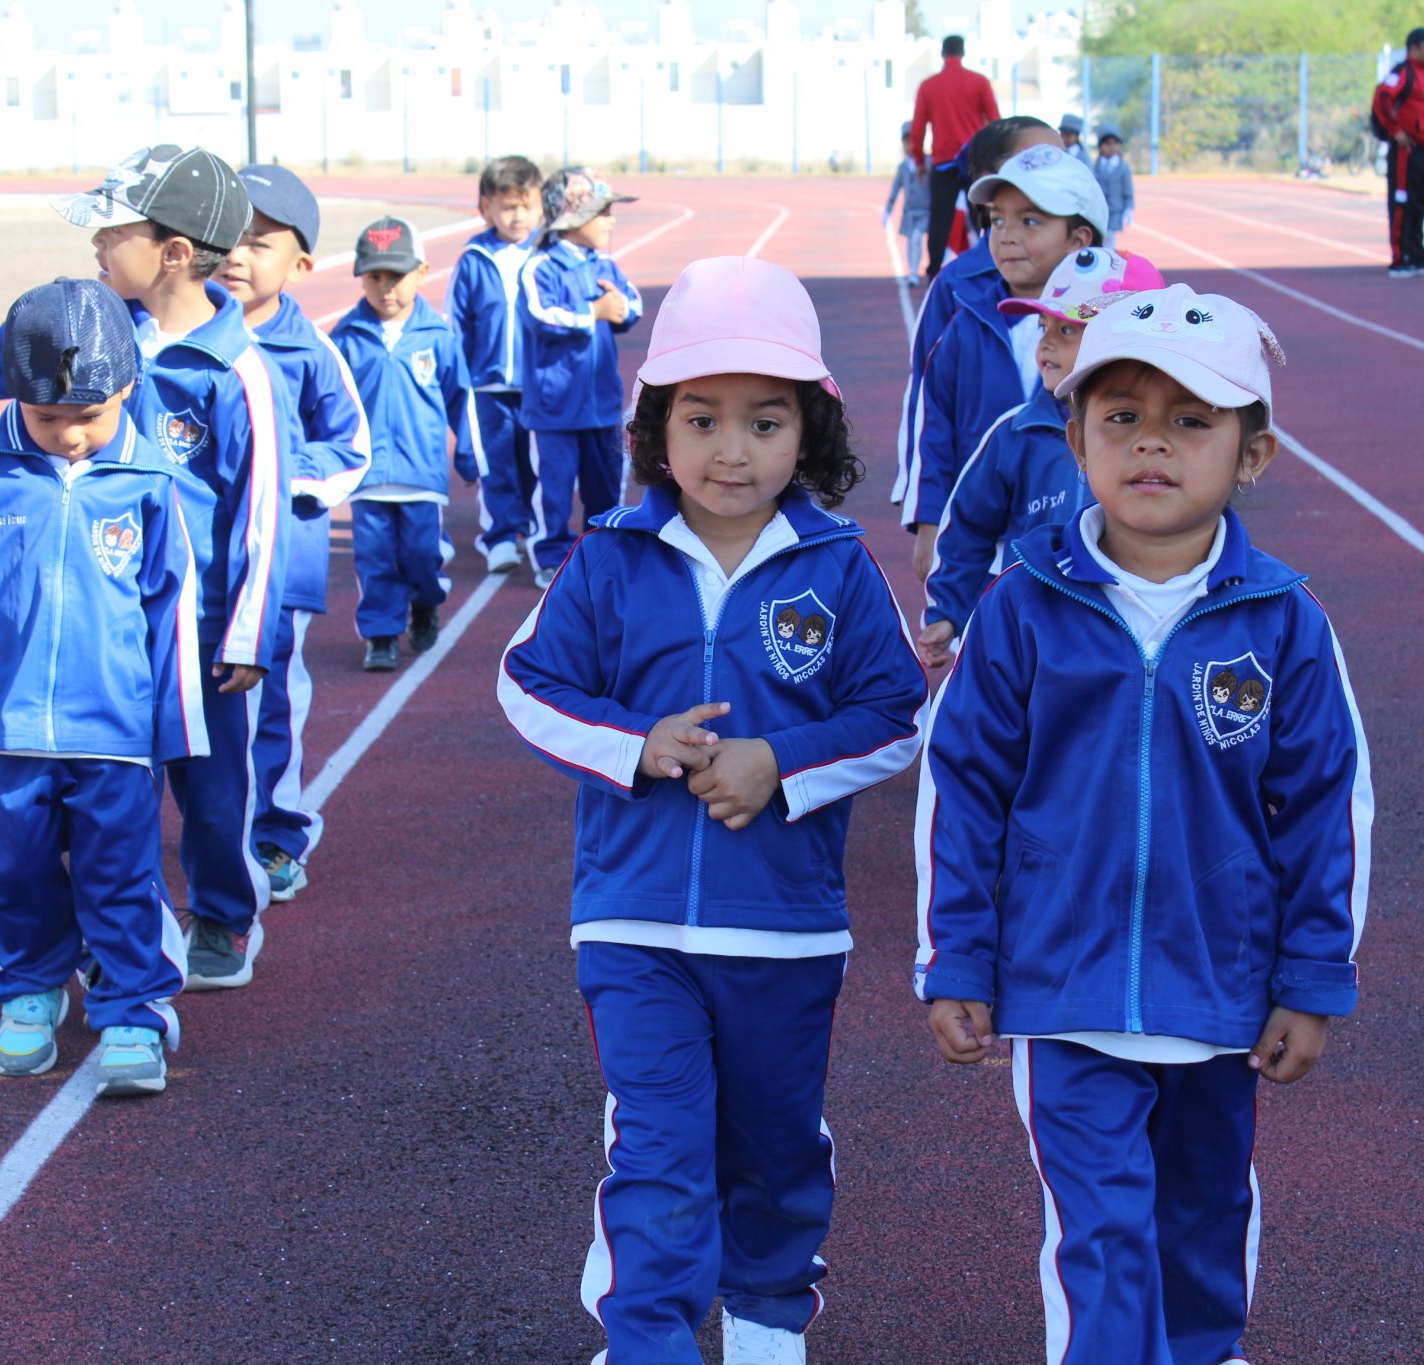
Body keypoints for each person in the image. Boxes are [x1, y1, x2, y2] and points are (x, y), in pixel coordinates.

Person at [915, 283, 1373, 1365]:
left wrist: (1311, 982)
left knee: (1201, 1220)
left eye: (1190, 421)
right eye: (1119, 416)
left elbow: (1325, 809)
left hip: (1220, 988)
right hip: (1061, 989)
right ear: (1071, 438)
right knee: (1102, 1232)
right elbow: (960, 786)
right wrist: (956, 959)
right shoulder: (1019, 609)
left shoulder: (1283, 620)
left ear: (1250, 457)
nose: (1149, 445)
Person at [498, 255, 927, 1365]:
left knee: (775, 1145)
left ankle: (770, 1316)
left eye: (763, 421)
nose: (730, 450)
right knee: (660, 1145)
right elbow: (526, 684)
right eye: (700, 419)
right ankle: (647, 1337)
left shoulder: (835, 567)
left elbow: (895, 712)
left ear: (808, 433)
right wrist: (635, 746)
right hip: (633, 924)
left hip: (782, 928)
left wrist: (776, 762)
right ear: (655, 427)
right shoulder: (607, 559)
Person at [0, 144, 290, 992]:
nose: (94, 241)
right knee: (97, 796)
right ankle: (83, 934)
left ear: (170, 250)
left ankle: (226, 915)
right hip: (100, 623)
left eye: (110, 228)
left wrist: (246, 632)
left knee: (211, 786)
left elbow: (261, 512)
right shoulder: (92, 327)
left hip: (196, 627)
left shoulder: (237, 368)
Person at [0, 277, 209, 1097]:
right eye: (49, 417)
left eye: (89, 416)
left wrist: (175, 729)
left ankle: (135, 1010)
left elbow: (172, 606)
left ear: (129, 388)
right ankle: (30, 989)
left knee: (120, 874)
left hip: (115, 730)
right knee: (14, 868)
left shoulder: (149, 476)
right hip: (6, 725)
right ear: (17, 398)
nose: (69, 435)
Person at [219, 163, 374, 905]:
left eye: (260, 243)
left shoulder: (311, 350)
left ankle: (276, 834)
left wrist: (278, 473)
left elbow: (351, 450)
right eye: (228, 238)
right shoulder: (179, 337)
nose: (238, 255)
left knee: (271, 704)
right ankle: (211, 827)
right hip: (197, 567)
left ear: (301, 264)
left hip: (279, 570)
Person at [916, 246, 1166, 669]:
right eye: (1043, 324)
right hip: (1030, 635)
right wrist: (949, 611)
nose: (1045, 341)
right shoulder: (1015, 434)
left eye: (1068, 330)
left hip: (1132, 639)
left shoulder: (1160, 446)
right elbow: (967, 528)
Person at [902, 143, 1109, 583]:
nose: (1005, 235)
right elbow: (934, 421)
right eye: (996, 220)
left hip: (1083, 545)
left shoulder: (1114, 328)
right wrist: (929, 518)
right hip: (985, 546)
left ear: (1079, 240)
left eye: (1030, 221)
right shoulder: (968, 320)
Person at [328, 218, 479, 671]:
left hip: (421, 472)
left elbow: (461, 398)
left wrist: (470, 455)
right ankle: (381, 634)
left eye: (395, 276)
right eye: (374, 276)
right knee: (374, 559)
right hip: (369, 475)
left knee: (421, 553)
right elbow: (328, 401)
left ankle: (425, 602)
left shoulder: (437, 337)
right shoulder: (346, 337)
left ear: (422, 272)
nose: (385, 287)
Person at [891, 116, 1061, 511]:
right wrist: (927, 511)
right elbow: (927, 396)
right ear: (989, 183)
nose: (1054, 168)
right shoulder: (957, 285)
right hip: (977, 512)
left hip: (1066, 509)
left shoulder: (1099, 287)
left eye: (1061, 159)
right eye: (1038, 158)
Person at [517, 167, 643, 589]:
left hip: (602, 405)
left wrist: (621, 308)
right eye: (603, 211)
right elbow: (540, 315)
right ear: (572, 217)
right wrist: (595, 313)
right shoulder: (541, 267)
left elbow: (632, 303)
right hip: (555, 407)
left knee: (605, 484)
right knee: (553, 489)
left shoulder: (605, 263)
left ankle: (603, 549)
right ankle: (551, 555)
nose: (611, 220)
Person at [447, 154, 546, 574]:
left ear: (541, 205)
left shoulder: (547, 254)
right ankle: (501, 536)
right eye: (507, 206)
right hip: (488, 384)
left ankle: (533, 526)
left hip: (539, 384)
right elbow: (457, 324)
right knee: (496, 461)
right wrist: (462, 376)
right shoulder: (472, 260)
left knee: (535, 465)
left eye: (526, 205)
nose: (518, 215)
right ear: (486, 207)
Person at [908, 34, 1002, 280]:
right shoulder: (979, 82)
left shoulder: (928, 86)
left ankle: (933, 273)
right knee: (984, 216)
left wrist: (919, 161)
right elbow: (995, 121)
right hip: (973, 162)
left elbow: (917, 129)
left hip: (943, 164)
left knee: (940, 220)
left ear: (942, 54)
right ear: (962, 53)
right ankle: (993, 263)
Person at [1373, 27, 1424, 278]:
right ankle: (1400, 256)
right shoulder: (1403, 72)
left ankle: (1417, 253)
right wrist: (1395, 130)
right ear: (1414, 47)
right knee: (1403, 202)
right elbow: (1382, 98)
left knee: (1421, 203)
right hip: (1408, 151)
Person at [883, 121, 934, 282]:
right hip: (909, 213)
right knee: (911, 241)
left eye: (912, 141)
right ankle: (912, 271)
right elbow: (895, 190)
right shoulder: (903, 167)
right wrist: (888, 211)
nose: (909, 145)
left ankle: (915, 272)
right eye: (906, 142)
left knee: (917, 238)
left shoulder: (929, 163)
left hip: (925, 211)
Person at [1091, 127, 1135, 249]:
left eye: (1115, 143)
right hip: (1098, 212)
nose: (1112, 147)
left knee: (1109, 239)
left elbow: (1128, 191)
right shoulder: (1095, 167)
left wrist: (1129, 208)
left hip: (1114, 212)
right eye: (1107, 143)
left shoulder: (1123, 168)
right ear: (1100, 146)